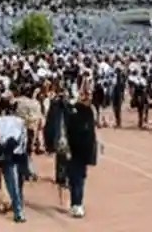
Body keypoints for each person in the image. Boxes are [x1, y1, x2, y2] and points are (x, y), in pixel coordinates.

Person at [64, 84, 98, 219]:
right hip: (79, 150)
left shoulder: (84, 112)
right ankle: (76, 203)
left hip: (78, 150)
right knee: (77, 179)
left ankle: (77, 203)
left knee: (77, 178)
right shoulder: (84, 112)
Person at [0, 97, 27, 222]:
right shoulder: (20, 121)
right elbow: (24, 140)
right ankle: (18, 208)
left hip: (7, 155)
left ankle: (18, 210)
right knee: (18, 182)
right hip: (19, 154)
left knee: (11, 183)